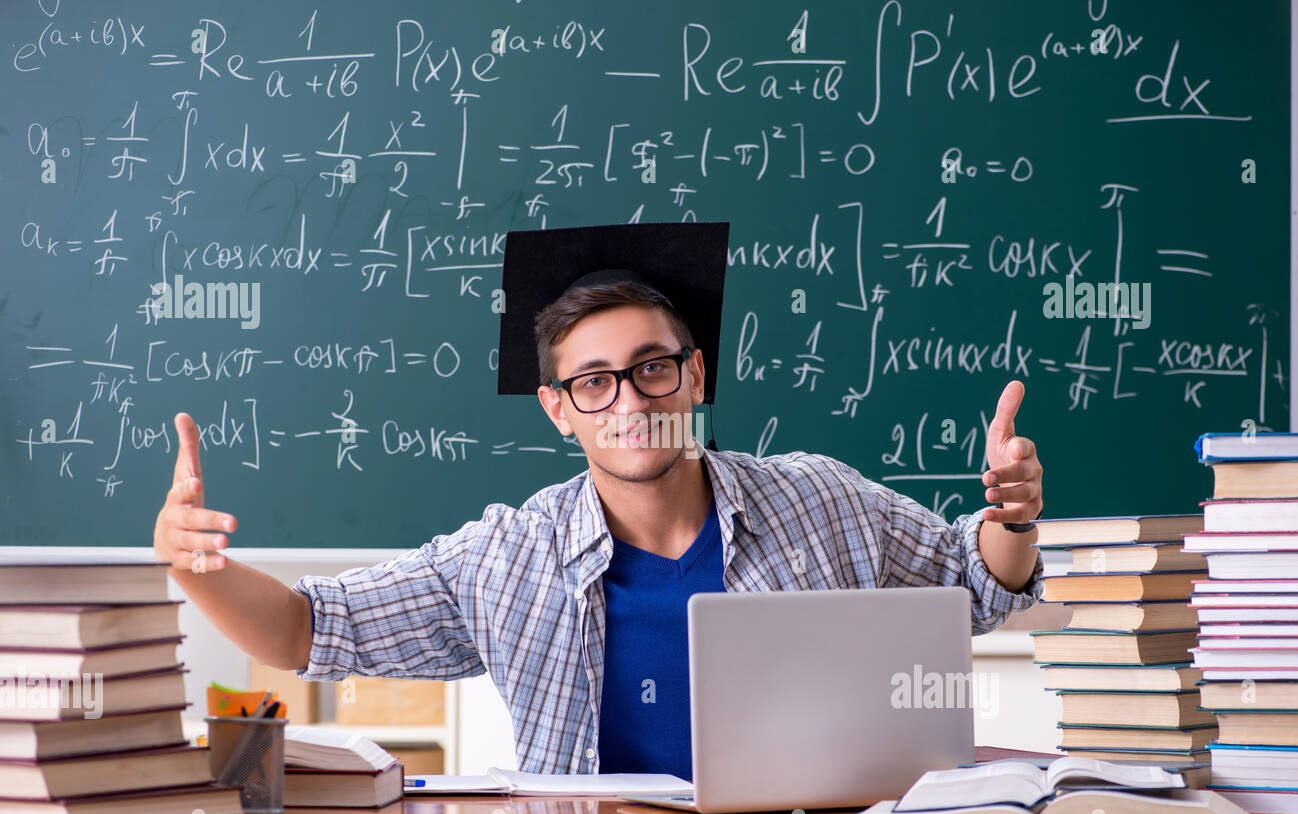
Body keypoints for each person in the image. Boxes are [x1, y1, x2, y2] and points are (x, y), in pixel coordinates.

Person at [153, 221, 1045, 778]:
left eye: (652, 368)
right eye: (593, 382)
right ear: (557, 409)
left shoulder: (821, 501)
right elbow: (306, 629)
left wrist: (1012, 517)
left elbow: (979, 585)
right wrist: (194, 565)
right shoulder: (506, 558)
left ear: (694, 376)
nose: (629, 401)